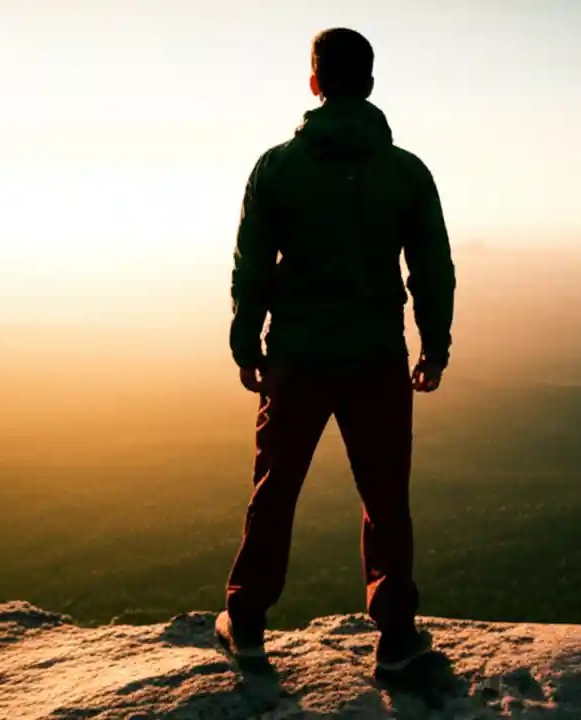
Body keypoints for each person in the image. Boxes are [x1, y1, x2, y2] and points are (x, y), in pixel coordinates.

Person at [216, 27, 456, 673]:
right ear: (370, 84)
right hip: (376, 357)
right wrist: (434, 347)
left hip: (296, 356)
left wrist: (245, 342)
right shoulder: (407, 172)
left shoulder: (277, 168)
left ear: (314, 81)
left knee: (275, 489)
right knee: (386, 496)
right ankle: (396, 637)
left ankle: (246, 622)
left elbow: (251, 266)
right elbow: (432, 269)